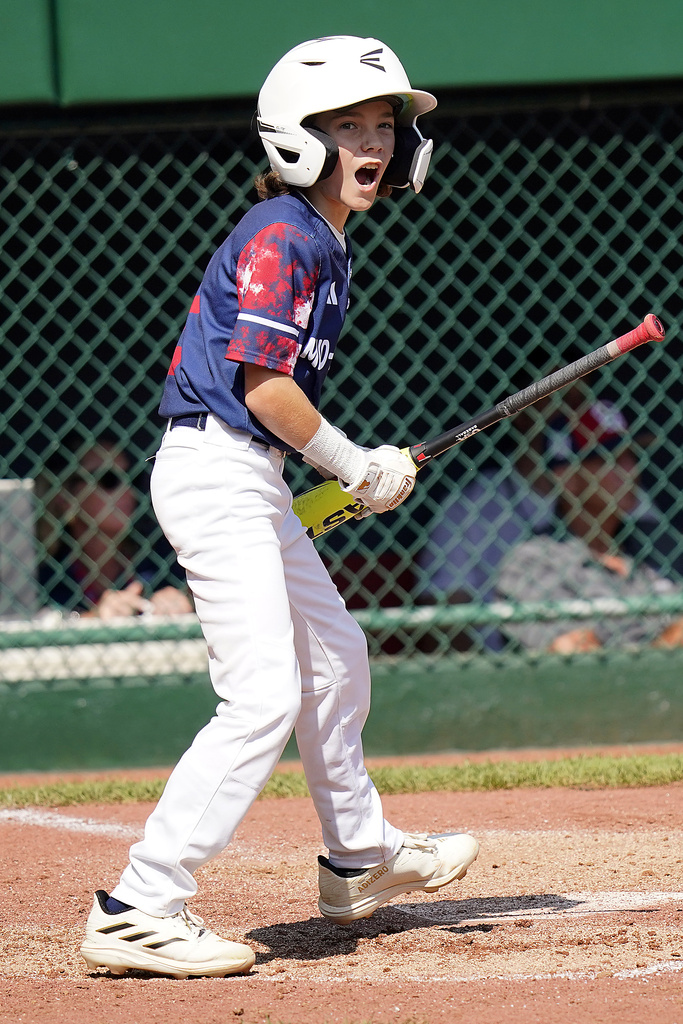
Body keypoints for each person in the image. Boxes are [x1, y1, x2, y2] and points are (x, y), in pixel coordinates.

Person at [80, 36, 479, 980]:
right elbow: (264, 390)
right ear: (298, 138)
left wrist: (350, 471)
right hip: (216, 471)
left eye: (382, 126)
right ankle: (139, 906)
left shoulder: (322, 240)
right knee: (261, 694)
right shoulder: (284, 235)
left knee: (334, 658)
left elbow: (268, 411)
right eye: (348, 126)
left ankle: (358, 855)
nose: (373, 142)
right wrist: (356, 465)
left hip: (246, 474)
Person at [495, 398, 683, 653]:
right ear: (567, 477)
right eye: (611, 460)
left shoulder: (662, 542)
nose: (631, 471)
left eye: (631, 457)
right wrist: (671, 639)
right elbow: (575, 660)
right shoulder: (534, 561)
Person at [37, 436, 193, 619]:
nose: (127, 490)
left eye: (132, 478)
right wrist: (95, 617)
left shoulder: (160, 560)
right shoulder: (45, 575)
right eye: (109, 479)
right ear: (66, 496)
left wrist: (185, 600)